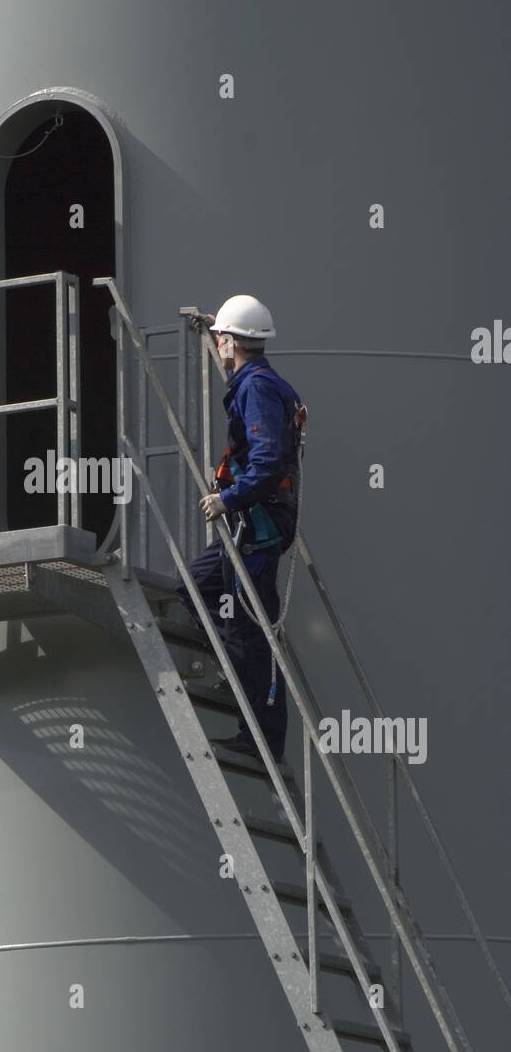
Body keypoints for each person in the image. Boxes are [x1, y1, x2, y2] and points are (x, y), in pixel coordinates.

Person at [176, 295, 304, 761]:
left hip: (256, 519)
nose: (217, 346)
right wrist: (216, 324)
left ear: (230, 342)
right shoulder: (256, 380)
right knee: (196, 587)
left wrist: (227, 497)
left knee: (249, 629)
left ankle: (260, 740)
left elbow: (267, 460)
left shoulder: (257, 389)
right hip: (253, 520)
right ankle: (236, 680)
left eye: (219, 340)